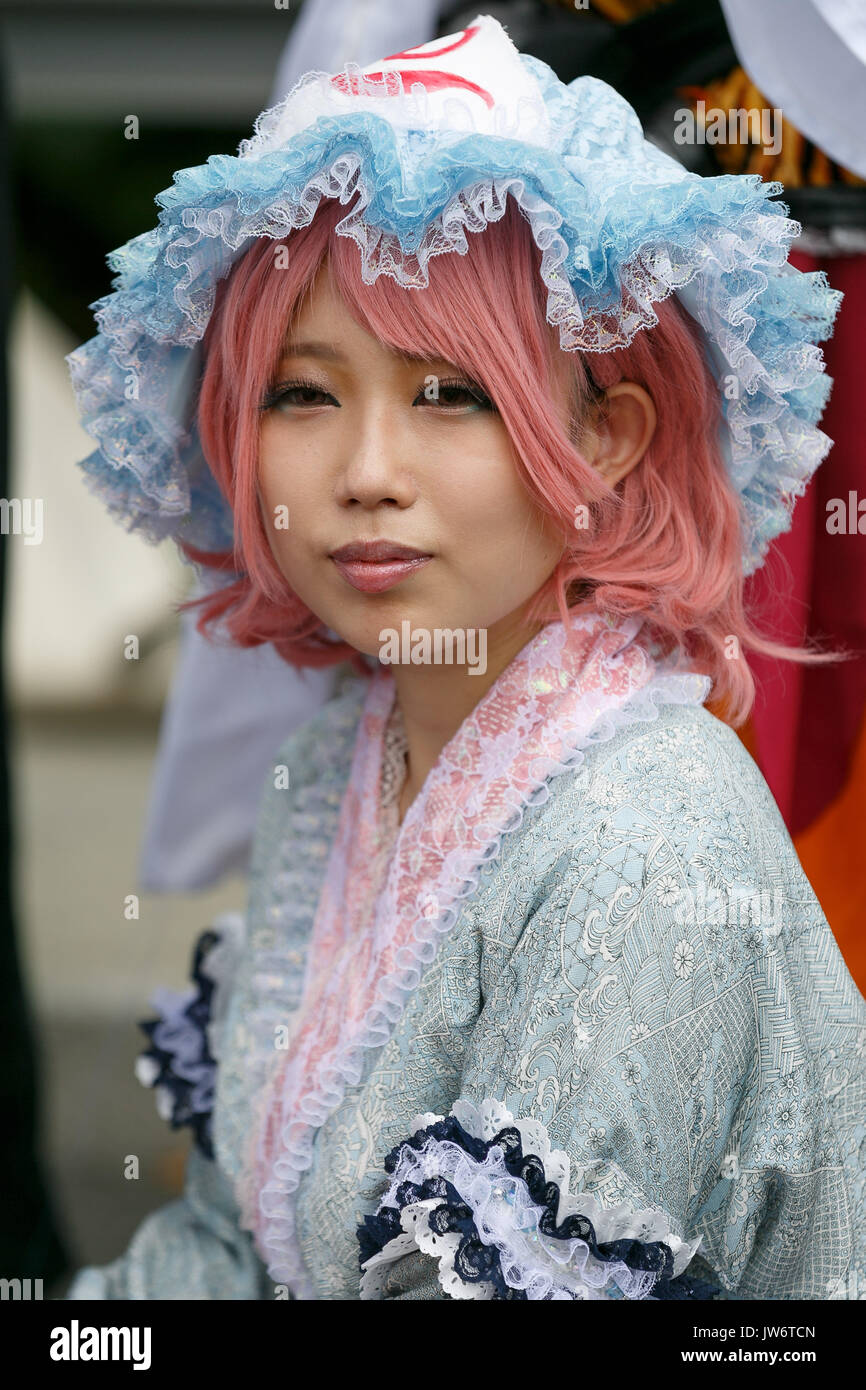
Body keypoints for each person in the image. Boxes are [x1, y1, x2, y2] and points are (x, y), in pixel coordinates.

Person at [63, 14, 864, 1300]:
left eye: (450, 394)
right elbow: (223, 1251)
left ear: (606, 436)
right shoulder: (341, 754)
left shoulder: (644, 844)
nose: (365, 475)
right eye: (302, 393)